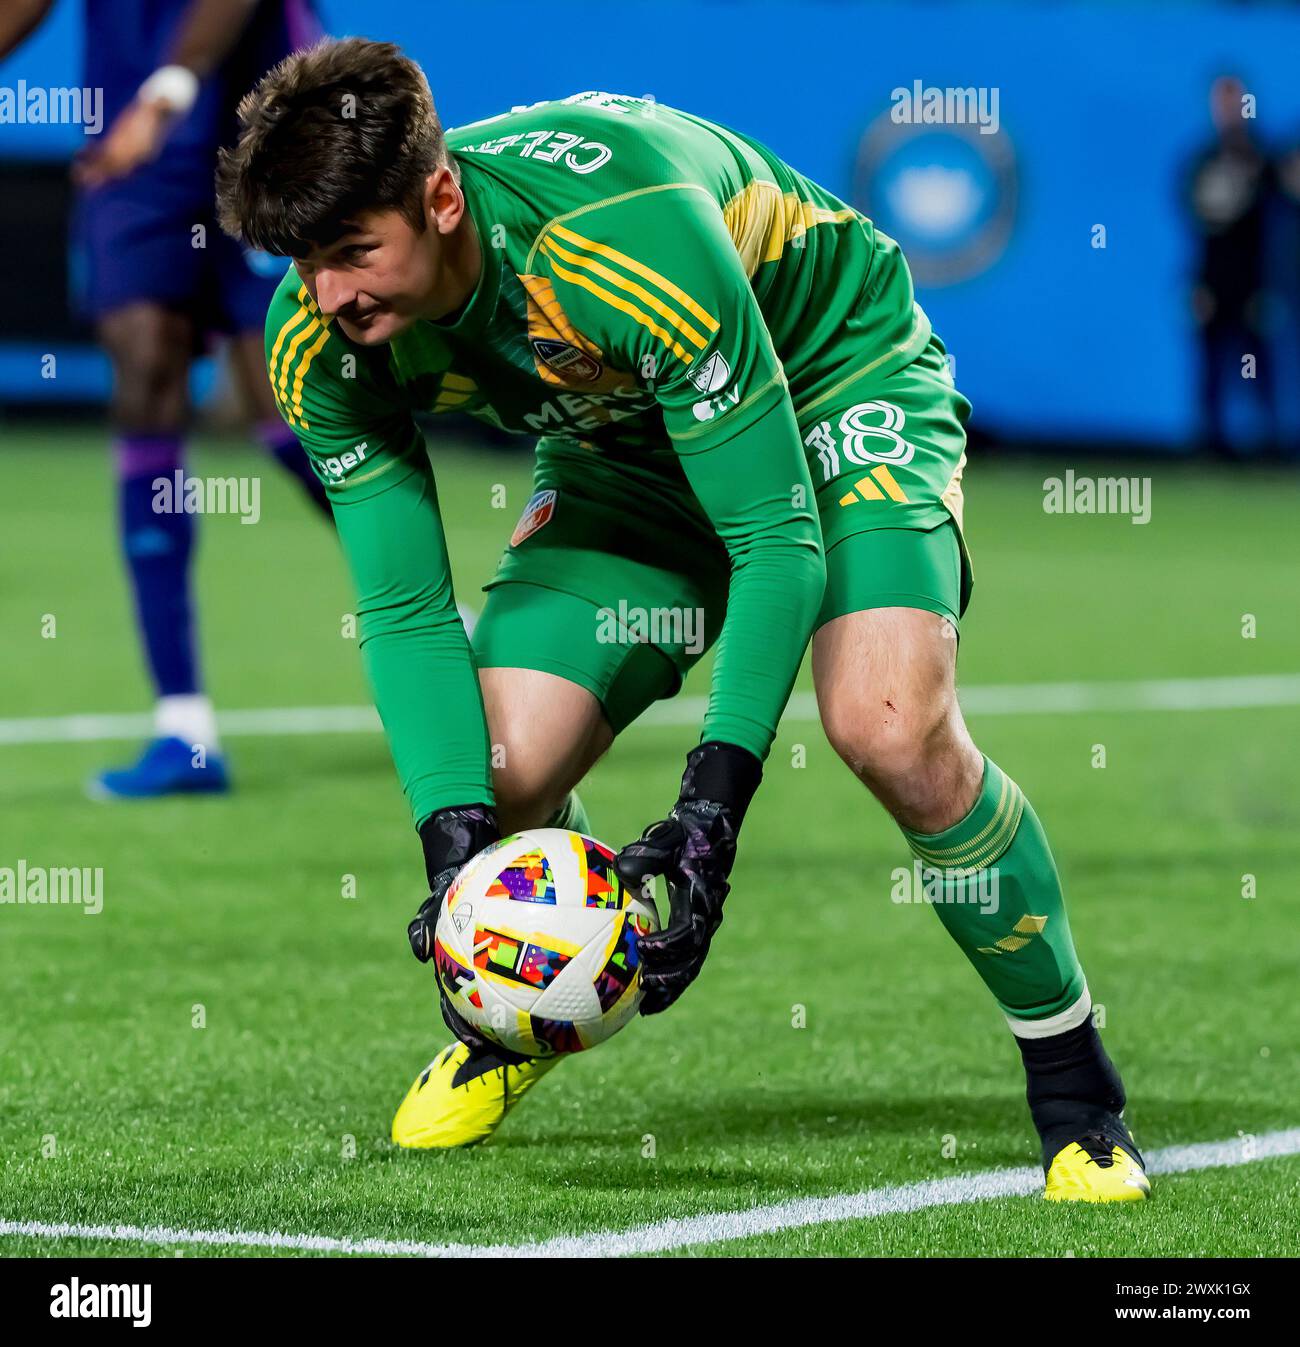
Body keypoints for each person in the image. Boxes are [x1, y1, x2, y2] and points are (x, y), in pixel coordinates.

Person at [217, 38, 1149, 1202]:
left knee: (888, 724)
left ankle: (1074, 1088)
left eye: (355, 253)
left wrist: (710, 812)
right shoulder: (316, 338)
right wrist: (454, 848)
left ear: (441, 197)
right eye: (303, 264)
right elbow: (404, 607)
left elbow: (773, 540)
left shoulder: (616, 243)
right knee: (493, 773)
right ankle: (537, 1003)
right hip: (626, 440)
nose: (330, 297)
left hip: (827, 385)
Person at [0, 0, 329, 798]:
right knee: (145, 367)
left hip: (259, 131)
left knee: (287, 409)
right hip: (132, 153)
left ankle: (436, 620)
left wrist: (170, 88)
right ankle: (183, 727)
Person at [1186, 74, 1278, 458]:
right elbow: (1198, 227)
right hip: (1213, 283)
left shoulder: (1260, 158)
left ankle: (1269, 449)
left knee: (1256, 369)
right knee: (1210, 370)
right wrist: (1196, 284)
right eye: (1221, 100)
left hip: (1254, 284)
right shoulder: (1203, 160)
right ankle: (1209, 448)